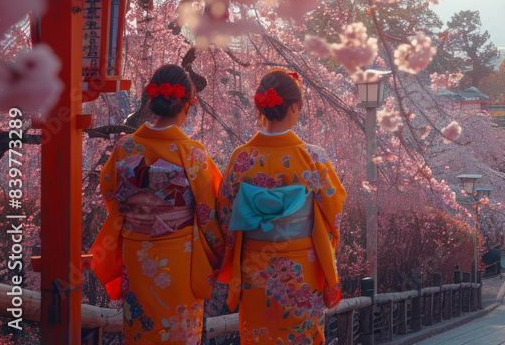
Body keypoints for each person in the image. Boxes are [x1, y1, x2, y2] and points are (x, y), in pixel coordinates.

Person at [91, 64, 225, 344]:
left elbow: (110, 192)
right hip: (180, 257)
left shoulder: (126, 147)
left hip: (136, 252)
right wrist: (219, 254)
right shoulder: (193, 153)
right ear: (187, 104)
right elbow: (209, 212)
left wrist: (138, 214)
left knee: (141, 330)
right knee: (179, 332)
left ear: (152, 99)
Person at [218, 69, 346, 345]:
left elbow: (226, 212)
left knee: (258, 336)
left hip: (255, 266)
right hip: (301, 267)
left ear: (261, 107)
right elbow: (334, 209)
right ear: (295, 106)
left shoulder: (241, 158)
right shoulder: (312, 157)